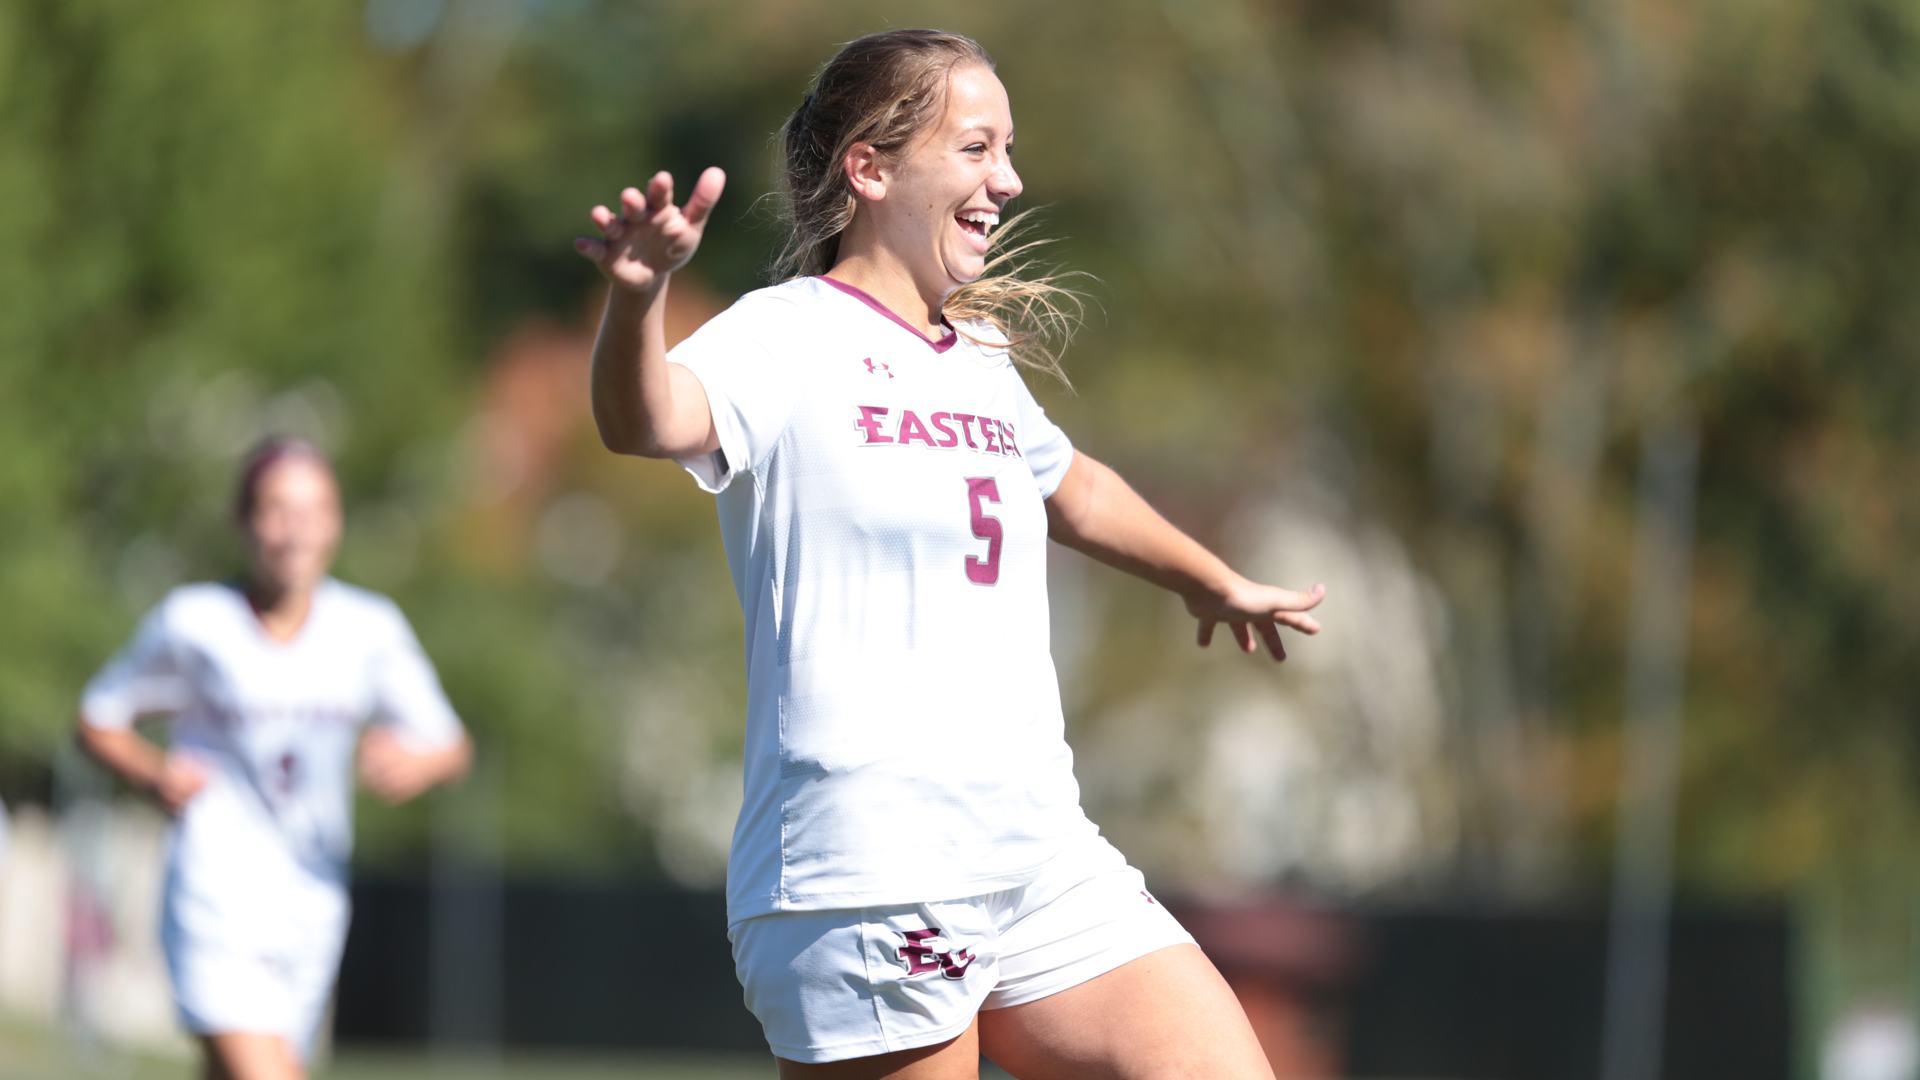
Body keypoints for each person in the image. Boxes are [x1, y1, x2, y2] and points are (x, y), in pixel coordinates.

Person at [575, 29, 1324, 1079]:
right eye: (977, 148)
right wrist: (637, 295)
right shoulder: (783, 334)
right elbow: (644, 418)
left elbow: (1073, 486)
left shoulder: (975, 357)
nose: (1008, 179)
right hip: (864, 867)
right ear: (870, 168)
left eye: (1008, 149)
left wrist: (1210, 578)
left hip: (1033, 848)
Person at [76, 439, 472, 1080]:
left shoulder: (369, 630)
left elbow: (453, 747)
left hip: (311, 900)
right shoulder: (194, 623)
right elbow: (97, 718)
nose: (296, 532)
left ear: (337, 523)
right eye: (277, 511)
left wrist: (418, 764)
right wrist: (152, 774)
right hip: (216, 892)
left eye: (315, 511)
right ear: (243, 523)